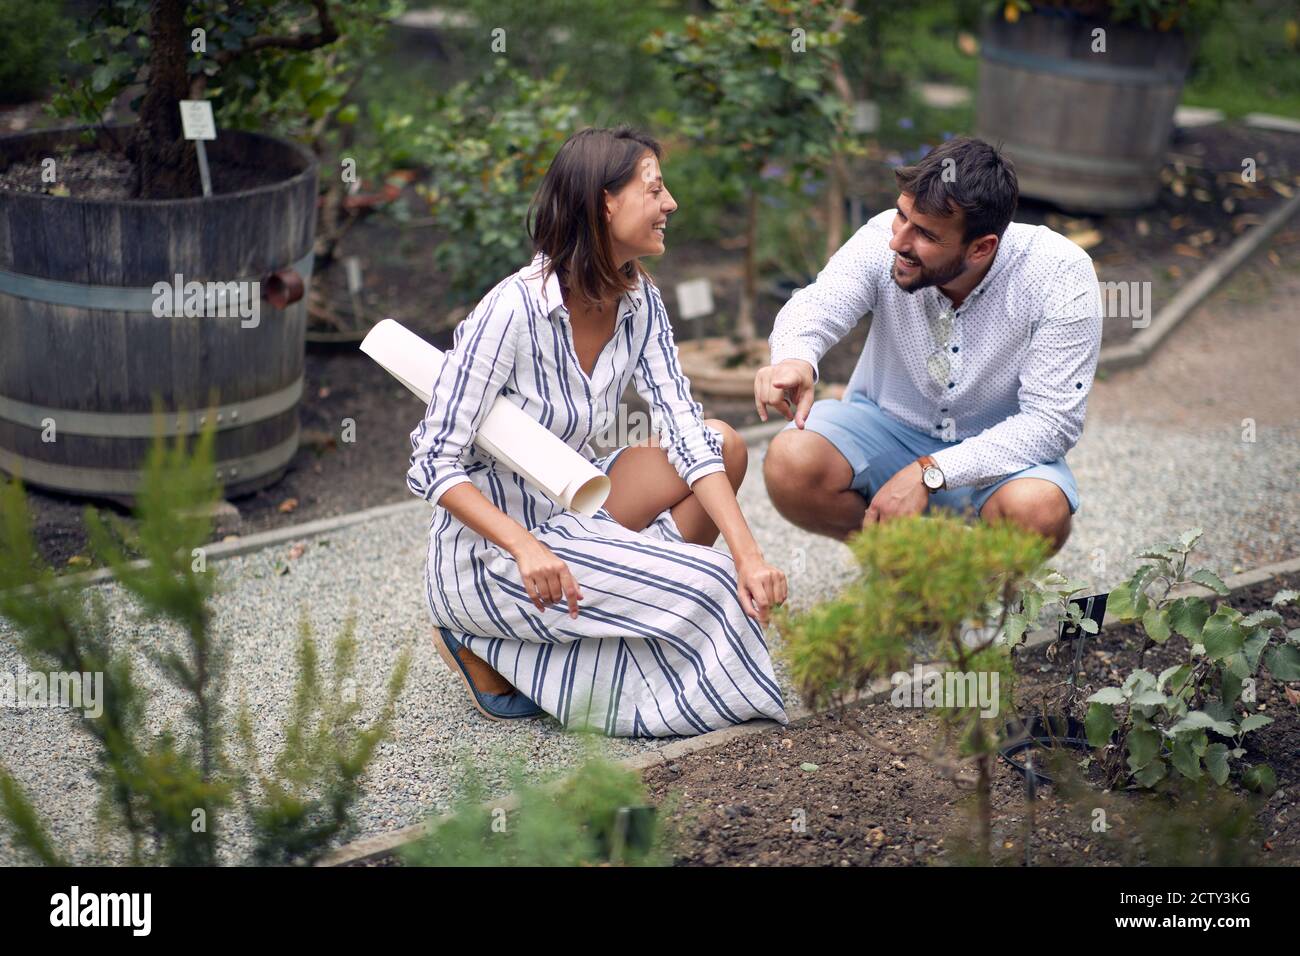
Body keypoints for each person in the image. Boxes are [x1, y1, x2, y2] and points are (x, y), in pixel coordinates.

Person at [408, 126, 789, 738]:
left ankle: (597, 614)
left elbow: (686, 432)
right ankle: (476, 631)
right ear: (604, 203)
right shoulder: (512, 309)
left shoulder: (641, 301)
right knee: (709, 586)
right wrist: (525, 546)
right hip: (492, 554)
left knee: (722, 444)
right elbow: (432, 461)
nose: (671, 205)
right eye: (655, 190)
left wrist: (751, 555)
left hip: (571, 510)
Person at [755, 136, 1102, 555]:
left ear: (981, 247)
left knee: (1038, 511)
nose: (898, 241)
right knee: (791, 460)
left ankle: (970, 591)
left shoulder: (1059, 273)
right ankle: (902, 565)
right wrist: (795, 357)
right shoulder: (884, 237)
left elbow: (1052, 423)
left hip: (998, 455)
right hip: (887, 428)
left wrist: (930, 472)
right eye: (902, 217)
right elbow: (819, 302)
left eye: (924, 234)